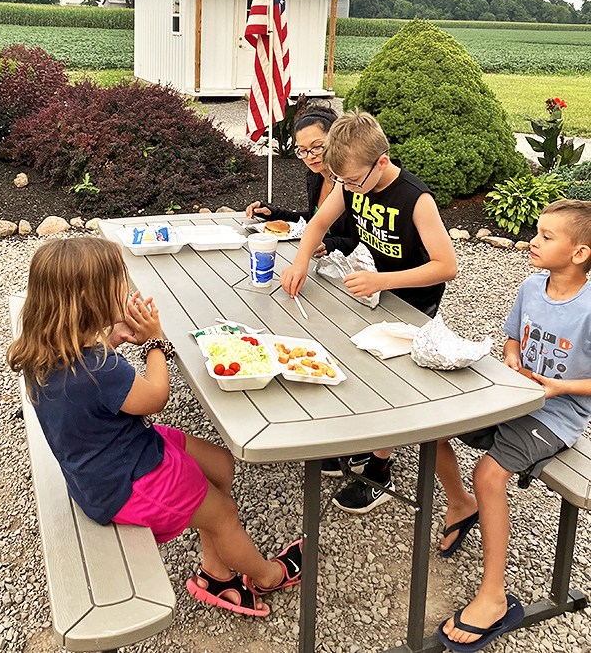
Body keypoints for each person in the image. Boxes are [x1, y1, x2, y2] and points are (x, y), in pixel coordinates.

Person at [6, 237, 302, 617]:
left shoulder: (49, 349)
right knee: (225, 512)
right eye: (119, 283)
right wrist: (155, 343)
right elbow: (156, 398)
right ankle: (267, 575)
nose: (127, 290)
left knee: (221, 464)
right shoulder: (101, 369)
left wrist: (111, 337)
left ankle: (215, 570)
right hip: (125, 482)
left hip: (108, 459)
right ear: (88, 298)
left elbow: (97, 394)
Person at [280, 111, 457, 513]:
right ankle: (359, 440)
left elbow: (447, 266)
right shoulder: (350, 180)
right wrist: (300, 262)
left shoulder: (416, 199)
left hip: (413, 298)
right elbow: (317, 224)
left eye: (354, 182)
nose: (348, 190)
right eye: (342, 182)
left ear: (381, 161)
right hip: (375, 288)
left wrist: (383, 282)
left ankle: (380, 466)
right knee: (356, 361)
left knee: (389, 378)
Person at [436, 199, 591, 653]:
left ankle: (495, 597)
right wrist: (511, 358)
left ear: (579, 253)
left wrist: (559, 389)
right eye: (536, 232)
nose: (534, 241)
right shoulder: (530, 286)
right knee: (432, 427)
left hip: (556, 416)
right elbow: (510, 337)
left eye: (546, 236)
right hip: (512, 398)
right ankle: (460, 505)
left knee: (489, 473)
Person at [246, 102, 357, 258]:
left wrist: (332, 244)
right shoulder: (315, 177)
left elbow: (368, 241)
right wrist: (273, 213)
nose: (310, 156)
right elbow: (315, 219)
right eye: (303, 150)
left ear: (337, 140)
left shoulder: (355, 183)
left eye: (318, 146)